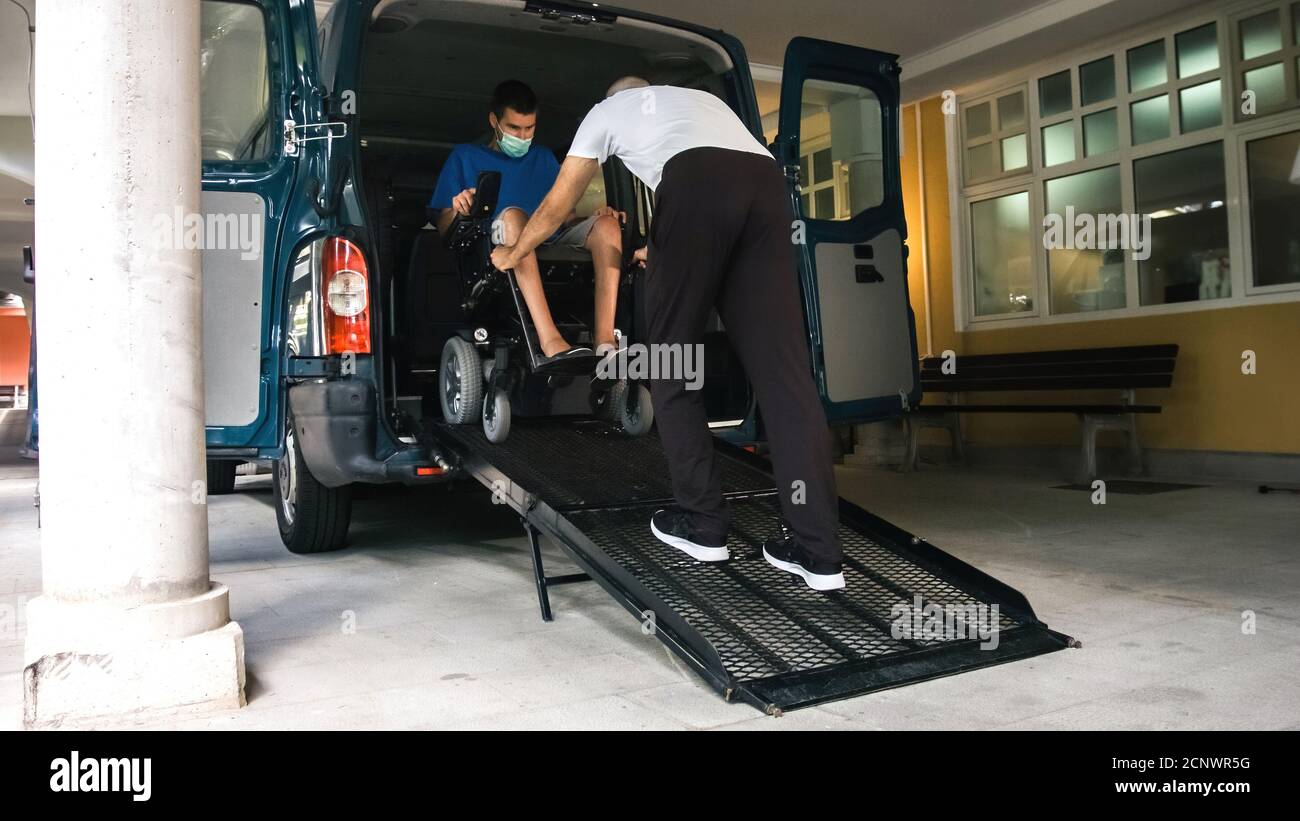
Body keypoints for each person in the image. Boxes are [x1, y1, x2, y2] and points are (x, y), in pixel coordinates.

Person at [491, 77, 844, 591]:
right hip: (767, 189)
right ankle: (819, 554)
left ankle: (703, 525)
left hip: (695, 184)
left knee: (670, 363)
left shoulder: (606, 112)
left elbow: (556, 206)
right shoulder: (705, 102)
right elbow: (729, 179)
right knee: (786, 377)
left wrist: (514, 252)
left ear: (616, 96)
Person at [429, 79, 623, 364]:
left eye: (529, 129)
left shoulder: (543, 158)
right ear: (494, 121)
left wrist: (596, 218)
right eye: (513, 128)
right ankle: (550, 340)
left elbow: (566, 218)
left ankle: (606, 341)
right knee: (514, 215)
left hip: (552, 239)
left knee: (608, 227)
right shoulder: (465, 157)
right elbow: (442, 225)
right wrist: (458, 209)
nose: (522, 137)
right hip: (498, 248)